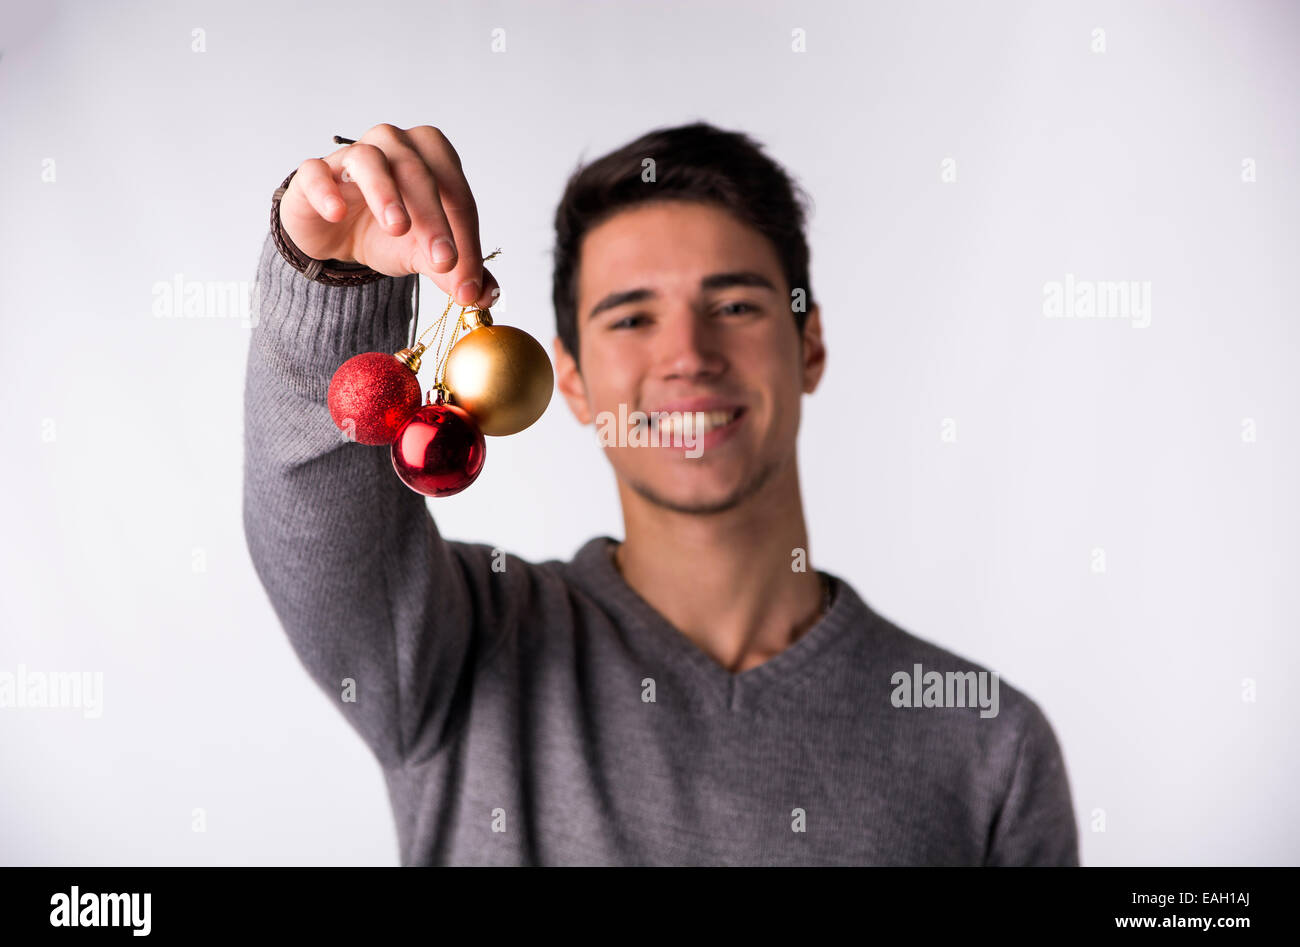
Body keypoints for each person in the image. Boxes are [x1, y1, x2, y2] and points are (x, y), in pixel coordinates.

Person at [243, 121, 1079, 865]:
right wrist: (332, 278)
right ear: (569, 377)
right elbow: (315, 518)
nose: (689, 355)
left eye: (736, 305)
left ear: (809, 345)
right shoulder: (465, 651)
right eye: (632, 318)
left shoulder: (987, 745)